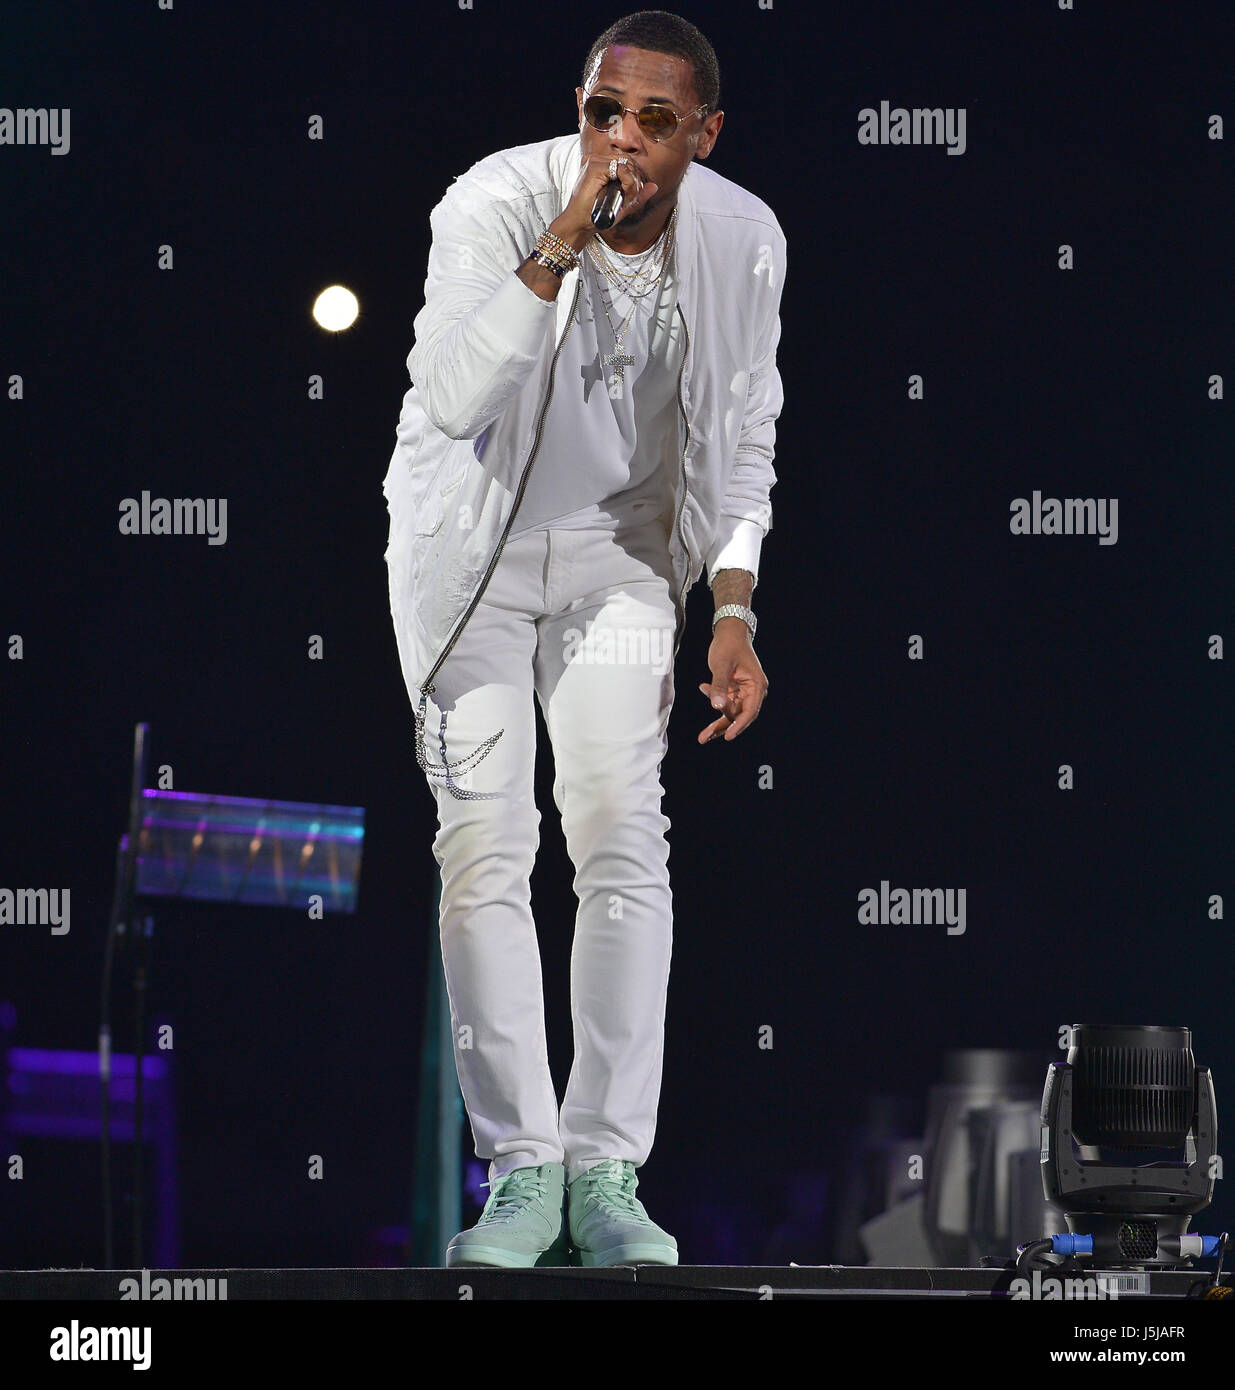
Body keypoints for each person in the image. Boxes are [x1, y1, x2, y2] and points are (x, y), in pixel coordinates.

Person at [382, 9, 786, 1268]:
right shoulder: (494, 203)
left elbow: (743, 434)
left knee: (618, 831)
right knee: (484, 845)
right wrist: (559, 243)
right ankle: (519, 1169)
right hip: (475, 558)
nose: (619, 141)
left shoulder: (744, 238)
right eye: (601, 112)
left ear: (703, 135)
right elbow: (451, 396)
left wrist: (731, 605)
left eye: (653, 122)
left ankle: (607, 1166)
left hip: (618, 558)